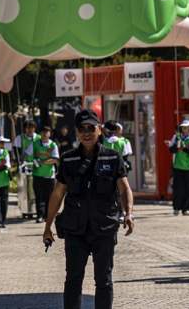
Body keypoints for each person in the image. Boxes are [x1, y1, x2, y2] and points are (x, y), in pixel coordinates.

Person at [43, 109, 134, 309]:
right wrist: (47, 226)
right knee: (73, 280)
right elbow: (57, 194)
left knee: (104, 280)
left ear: (99, 130)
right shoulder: (68, 159)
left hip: (104, 227)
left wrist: (129, 214)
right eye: (82, 129)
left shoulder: (112, 157)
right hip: (76, 229)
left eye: (90, 128)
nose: (86, 132)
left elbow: (124, 188)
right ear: (76, 132)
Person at [169, 118, 189, 214]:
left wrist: (184, 148)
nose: (184, 129)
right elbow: (171, 149)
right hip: (178, 167)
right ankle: (176, 208)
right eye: (182, 128)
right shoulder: (176, 137)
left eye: (186, 128)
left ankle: (187, 209)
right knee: (178, 188)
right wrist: (177, 147)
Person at [32, 124, 61, 222]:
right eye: (43, 132)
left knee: (49, 197)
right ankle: (40, 215)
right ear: (40, 134)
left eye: (47, 132)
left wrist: (42, 162)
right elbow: (27, 154)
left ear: (50, 134)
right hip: (37, 174)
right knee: (39, 196)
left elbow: (55, 160)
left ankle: (48, 216)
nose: (45, 134)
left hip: (49, 175)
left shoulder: (53, 145)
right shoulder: (35, 143)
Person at [14, 118, 39, 219]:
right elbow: (16, 152)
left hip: (37, 168)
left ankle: (36, 210)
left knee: (35, 190)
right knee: (24, 190)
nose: (29, 130)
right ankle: (25, 210)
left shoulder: (39, 138)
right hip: (24, 168)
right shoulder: (20, 138)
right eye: (27, 128)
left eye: (31, 128)